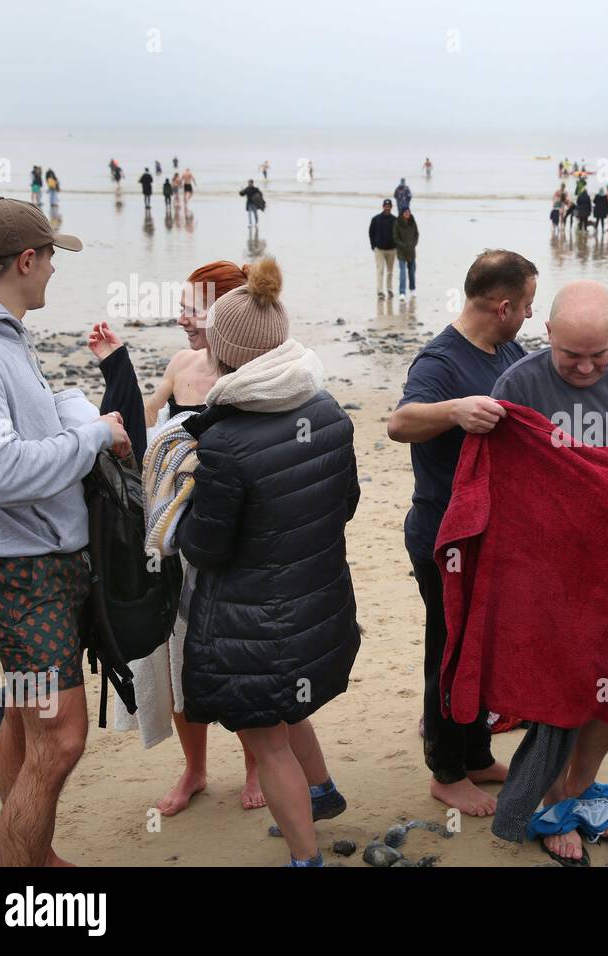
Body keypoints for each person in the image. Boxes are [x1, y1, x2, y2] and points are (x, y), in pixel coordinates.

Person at [472, 279, 608, 864]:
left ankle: (579, 787)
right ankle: (551, 799)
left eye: (599, 354)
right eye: (572, 355)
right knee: (561, 685)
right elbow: (505, 483)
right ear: (548, 336)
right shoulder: (520, 383)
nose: (586, 367)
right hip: (552, 572)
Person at [0, 199, 130, 865]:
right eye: (52, 256)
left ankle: (33, 851)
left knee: (30, 724)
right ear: (26, 261)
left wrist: (77, 409)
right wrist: (90, 437)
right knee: (62, 738)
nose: (55, 269)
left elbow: (29, 417)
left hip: (22, 559)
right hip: (18, 568)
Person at [177, 258, 360, 867]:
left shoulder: (224, 441)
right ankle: (322, 791)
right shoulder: (329, 411)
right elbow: (346, 503)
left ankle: (305, 857)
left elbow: (206, 548)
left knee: (264, 733)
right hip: (318, 598)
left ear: (226, 354)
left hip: (253, 620)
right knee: (290, 704)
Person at [86, 260, 270, 815]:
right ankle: (194, 768)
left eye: (194, 306)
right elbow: (139, 438)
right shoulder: (182, 363)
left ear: (231, 310)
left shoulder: (256, 375)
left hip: (233, 542)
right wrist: (117, 367)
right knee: (176, 656)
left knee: (237, 657)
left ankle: (258, 765)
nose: (181, 314)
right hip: (174, 537)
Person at [386, 250, 536, 815]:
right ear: (502, 306)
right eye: (525, 306)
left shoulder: (509, 349)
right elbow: (400, 423)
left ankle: (474, 755)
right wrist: (454, 411)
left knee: (483, 651)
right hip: (443, 537)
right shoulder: (439, 362)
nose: (527, 315)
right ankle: (445, 772)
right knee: (448, 653)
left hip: (492, 537)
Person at [368, 198, 397, 300]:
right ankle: (380, 291)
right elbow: (371, 233)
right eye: (386, 206)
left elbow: (398, 234)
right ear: (383, 206)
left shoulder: (395, 220)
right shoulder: (376, 219)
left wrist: (397, 246)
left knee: (390, 271)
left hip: (392, 250)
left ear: (391, 207)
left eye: (389, 206)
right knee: (380, 270)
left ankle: (389, 289)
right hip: (379, 249)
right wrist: (373, 245)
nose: (387, 208)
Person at [393, 208, 419, 299]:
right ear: (402, 213)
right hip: (401, 253)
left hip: (411, 252)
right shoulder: (397, 223)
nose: (407, 214)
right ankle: (402, 292)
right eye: (405, 212)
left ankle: (412, 289)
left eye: (408, 212)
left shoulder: (412, 221)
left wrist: (413, 243)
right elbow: (395, 237)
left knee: (412, 272)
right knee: (402, 273)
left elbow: (416, 234)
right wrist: (403, 245)